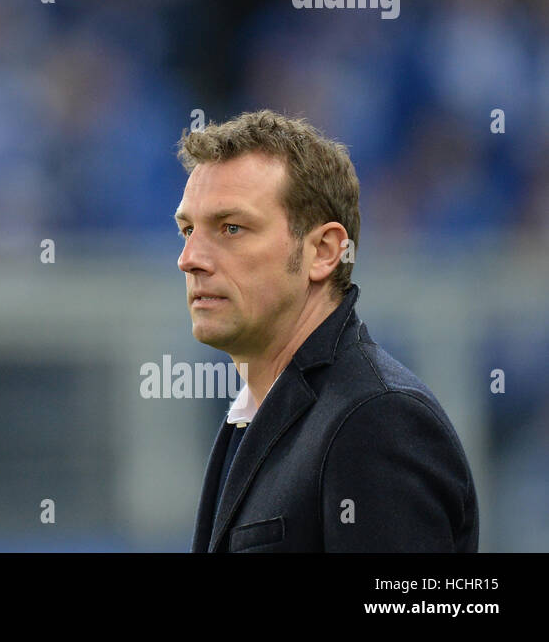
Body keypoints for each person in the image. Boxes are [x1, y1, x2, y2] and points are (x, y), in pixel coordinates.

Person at [174, 110, 478, 551]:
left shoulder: (377, 420)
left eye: (231, 228)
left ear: (323, 251)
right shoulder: (257, 414)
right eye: (187, 230)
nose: (190, 258)